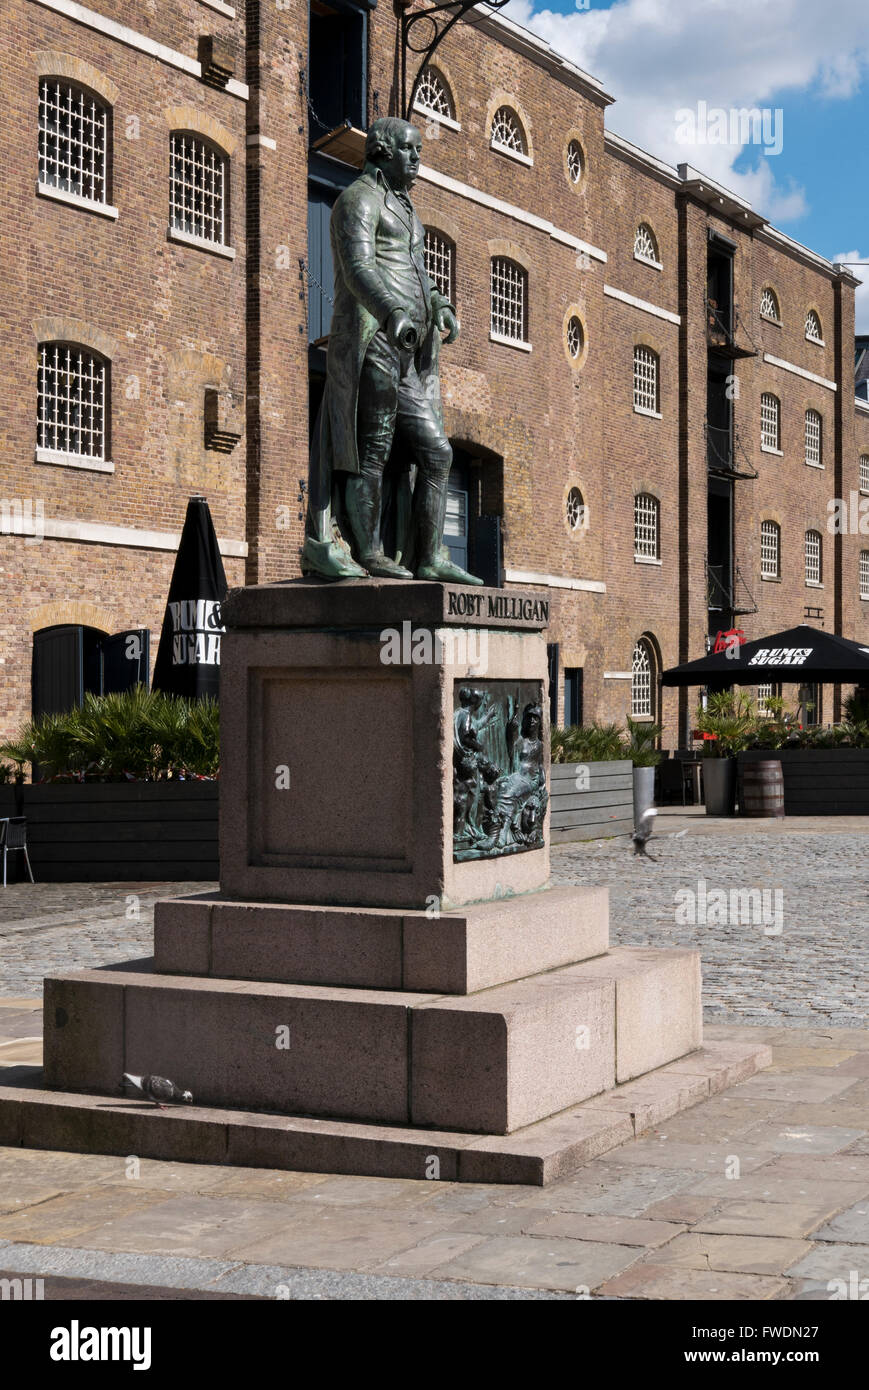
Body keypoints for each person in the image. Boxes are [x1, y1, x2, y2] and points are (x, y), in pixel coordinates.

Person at [303, 116, 482, 585]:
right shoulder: (355, 201)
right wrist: (391, 313)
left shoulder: (405, 209)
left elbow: (417, 272)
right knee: (372, 451)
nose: (417, 159)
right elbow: (359, 267)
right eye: (409, 150)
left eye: (419, 151)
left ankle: (429, 556)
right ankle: (369, 551)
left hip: (411, 356)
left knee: (438, 453)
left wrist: (439, 306)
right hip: (373, 343)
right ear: (382, 150)